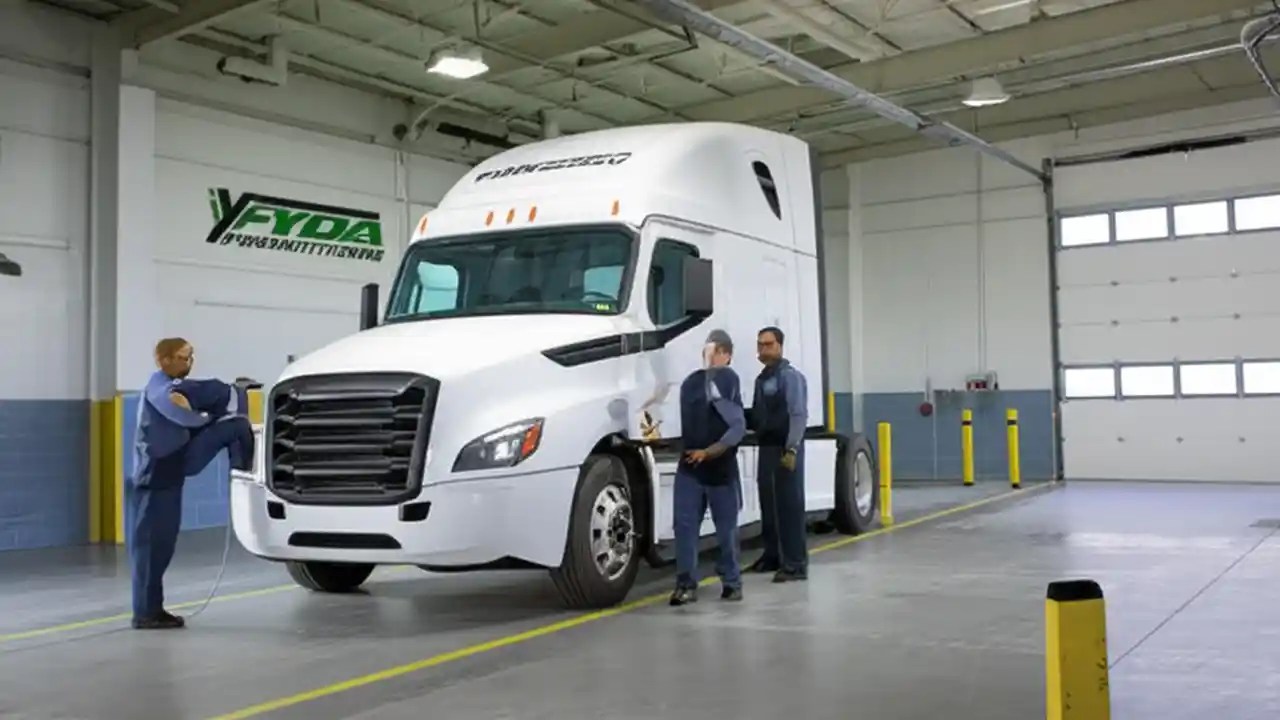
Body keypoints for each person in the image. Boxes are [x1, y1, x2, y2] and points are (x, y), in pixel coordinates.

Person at [129, 338, 255, 630]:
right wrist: (209, 418)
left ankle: (152, 610)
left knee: (161, 548)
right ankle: (146, 613)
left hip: (168, 475)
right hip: (155, 481)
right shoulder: (162, 389)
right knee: (152, 550)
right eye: (185, 357)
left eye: (191, 357)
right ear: (165, 360)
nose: (190, 362)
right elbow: (180, 414)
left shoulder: (168, 385)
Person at [669, 329, 748, 606]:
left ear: (727, 354)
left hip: (718, 470)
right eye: (707, 349)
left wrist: (709, 452)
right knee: (685, 527)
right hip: (691, 466)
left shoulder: (727, 379)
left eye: (715, 350)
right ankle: (687, 583)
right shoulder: (691, 382)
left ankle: (731, 581)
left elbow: (737, 427)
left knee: (725, 530)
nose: (710, 355)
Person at [747, 326, 810, 583]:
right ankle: (773, 555)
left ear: (780, 346)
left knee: (789, 507)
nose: (763, 349)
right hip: (767, 447)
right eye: (760, 345)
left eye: (768, 344)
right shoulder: (762, 379)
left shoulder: (790, 377)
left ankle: (795, 564)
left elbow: (798, 414)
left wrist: (792, 447)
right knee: (769, 504)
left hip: (785, 449)